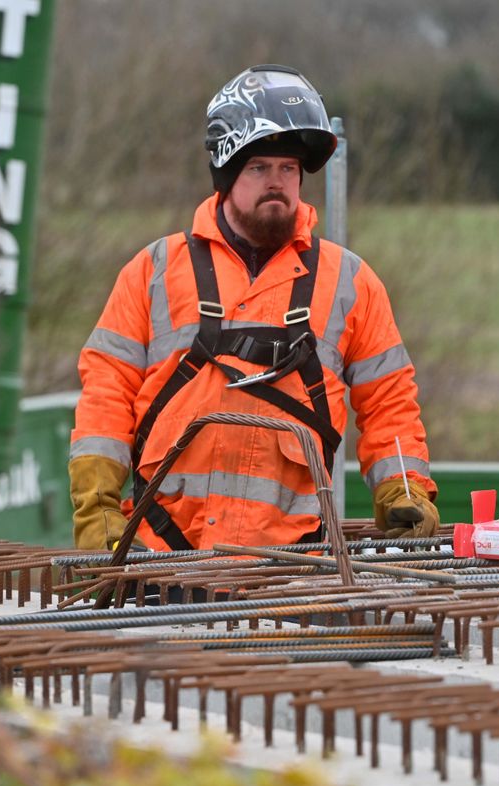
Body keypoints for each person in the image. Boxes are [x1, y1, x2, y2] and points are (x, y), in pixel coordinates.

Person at [68, 64, 439, 551]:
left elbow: (389, 402)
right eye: (259, 167)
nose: (278, 183)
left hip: (293, 564)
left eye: (289, 169)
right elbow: (106, 397)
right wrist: (97, 513)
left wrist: (404, 492)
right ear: (225, 172)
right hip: (159, 558)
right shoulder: (153, 272)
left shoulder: (350, 282)